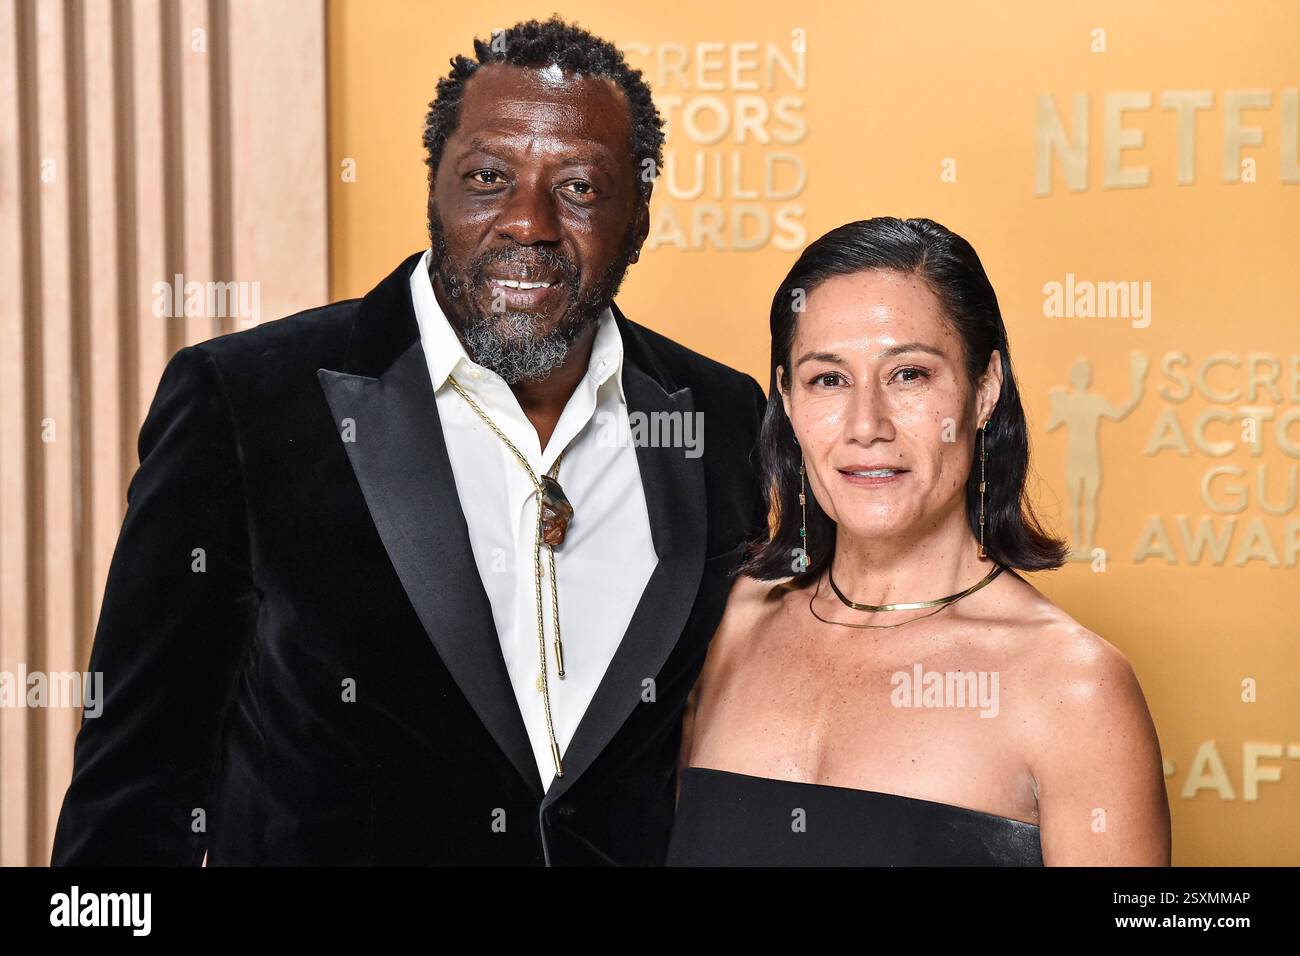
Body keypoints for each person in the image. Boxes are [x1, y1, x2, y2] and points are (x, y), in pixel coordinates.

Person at [52, 16, 767, 866]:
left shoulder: (719, 416)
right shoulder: (243, 402)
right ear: (436, 188)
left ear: (639, 214)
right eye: (488, 176)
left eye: (579, 186)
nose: (527, 223)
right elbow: (134, 788)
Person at [668, 217, 1171, 866]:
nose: (866, 425)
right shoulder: (732, 625)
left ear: (983, 390)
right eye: (828, 379)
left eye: (908, 374)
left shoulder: (1074, 690)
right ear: (788, 400)